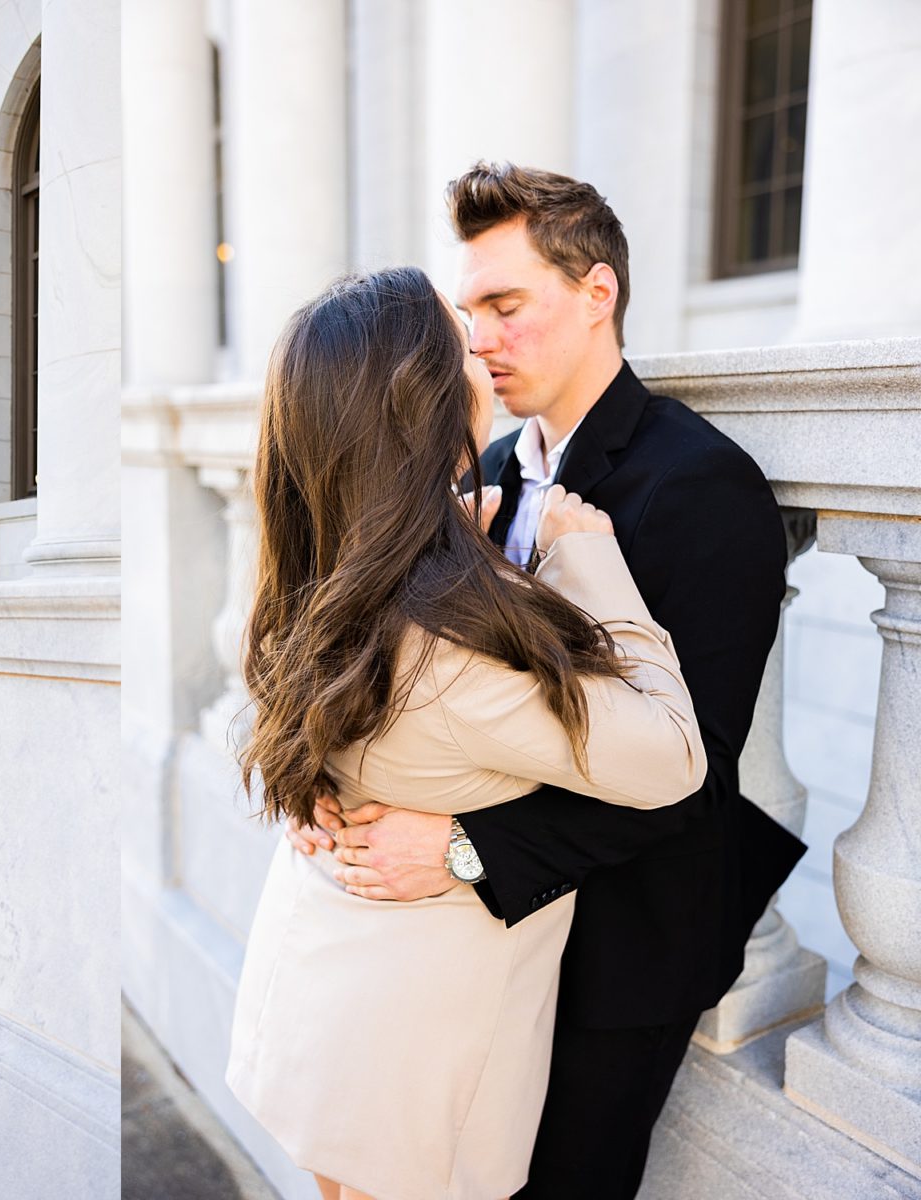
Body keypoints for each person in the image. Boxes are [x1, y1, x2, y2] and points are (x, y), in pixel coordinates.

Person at [286, 163, 807, 1198]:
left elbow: (686, 770)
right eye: (467, 311)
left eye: (505, 305)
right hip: (464, 952)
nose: (477, 339)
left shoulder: (700, 487)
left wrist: (466, 850)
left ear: (596, 292)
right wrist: (331, 777)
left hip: (618, 949)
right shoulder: (476, 466)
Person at [226, 264, 710, 1199]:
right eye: (462, 339)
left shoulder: (322, 578)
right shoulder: (448, 650)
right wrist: (592, 563)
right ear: (426, 408)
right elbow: (672, 759)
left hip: (320, 1001)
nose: (483, 350)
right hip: (411, 1059)